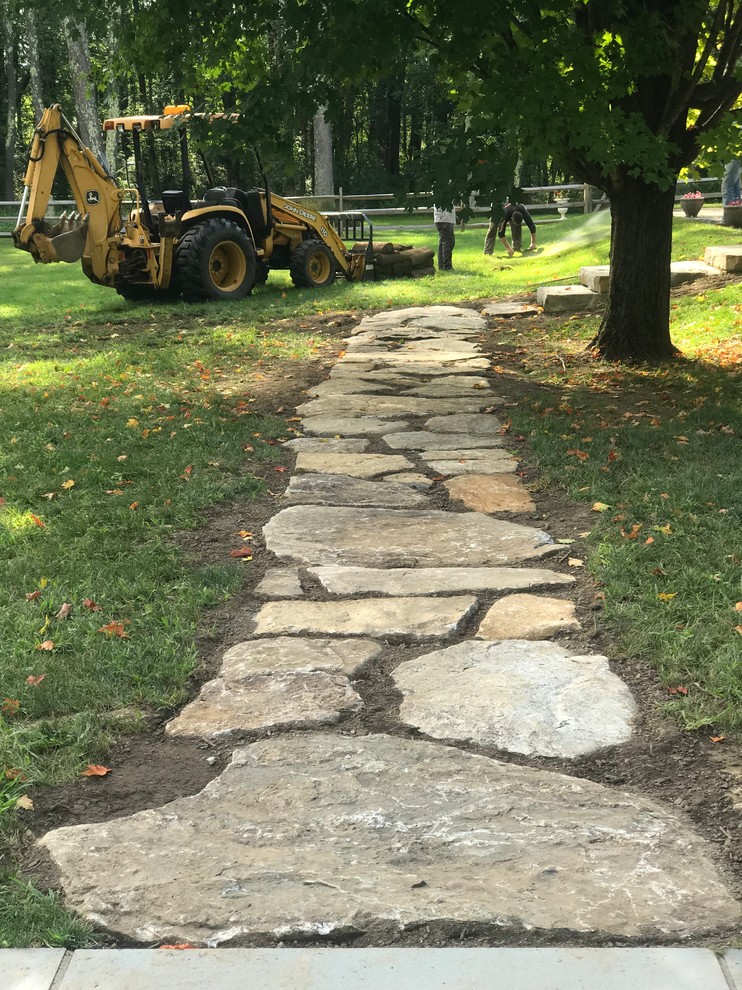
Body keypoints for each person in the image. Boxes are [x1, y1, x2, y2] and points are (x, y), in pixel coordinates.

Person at [433, 203, 456, 271]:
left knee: (443, 242)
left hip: (441, 218)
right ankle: (447, 266)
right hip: (445, 218)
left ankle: (441, 265)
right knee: (448, 242)